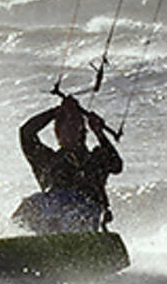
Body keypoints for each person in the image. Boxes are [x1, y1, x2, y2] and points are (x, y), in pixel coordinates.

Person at [13, 93, 122, 233]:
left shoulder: (96, 158)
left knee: (73, 211)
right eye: (65, 125)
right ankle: (13, 238)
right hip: (52, 220)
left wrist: (100, 134)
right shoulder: (47, 159)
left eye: (74, 124)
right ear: (57, 132)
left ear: (83, 131)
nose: (70, 130)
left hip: (85, 216)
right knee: (32, 203)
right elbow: (26, 132)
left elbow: (116, 165)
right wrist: (53, 113)